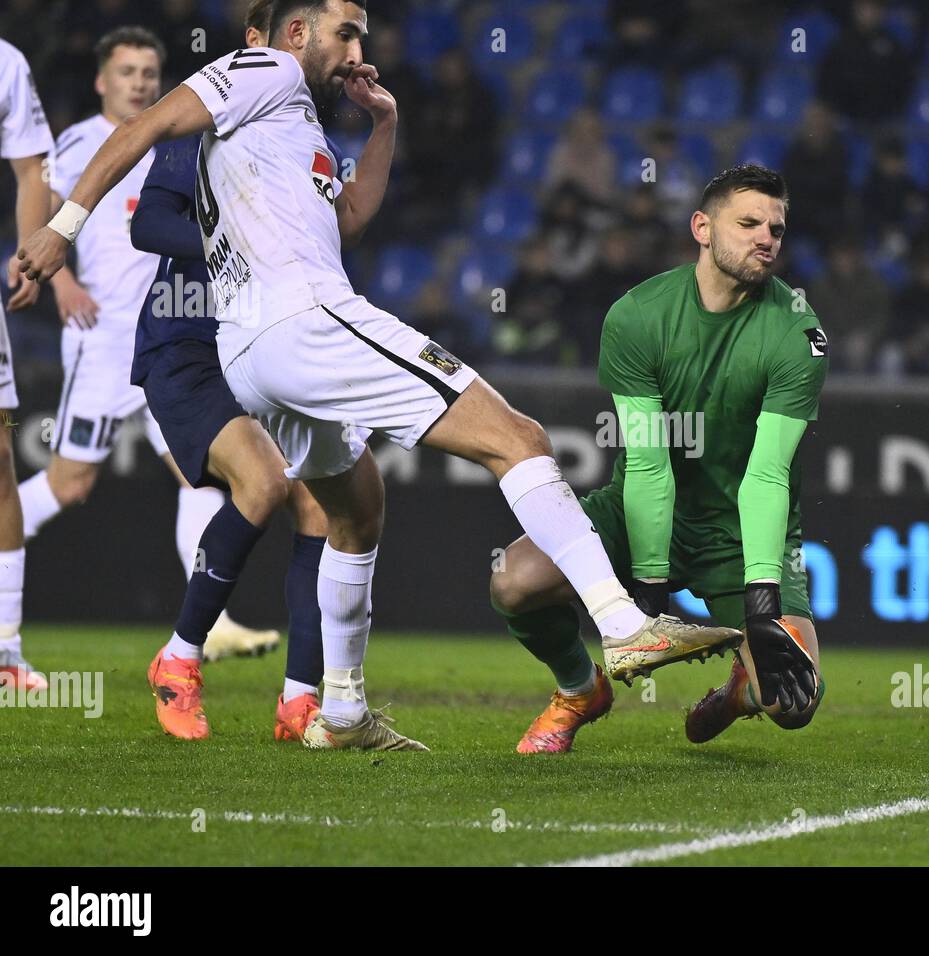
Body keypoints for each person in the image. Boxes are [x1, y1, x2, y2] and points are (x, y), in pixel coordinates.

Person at [17, 0, 740, 752]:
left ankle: (342, 712)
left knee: (354, 508)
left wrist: (383, 125)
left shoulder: (296, 127)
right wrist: (60, 229)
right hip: (305, 318)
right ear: (297, 33)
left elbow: (350, 222)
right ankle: (623, 624)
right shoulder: (265, 68)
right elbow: (143, 129)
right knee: (518, 438)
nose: (362, 46)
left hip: (256, 349)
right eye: (346, 31)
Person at [489, 165, 826, 754]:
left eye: (775, 227)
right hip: (640, 509)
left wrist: (763, 602)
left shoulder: (797, 334)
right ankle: (578, 689)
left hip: (737, 533)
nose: (765, 237)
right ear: (702, 227)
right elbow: (648, 463)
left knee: (794, 701)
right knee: (513, 579)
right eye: (747, 223)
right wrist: (645, 599)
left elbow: (767, 475)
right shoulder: (637, 316)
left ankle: (738, 690)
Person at [16, 26, 277, 663]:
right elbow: (38, 205)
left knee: (205, 481)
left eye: (149, 72)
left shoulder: (177, 139)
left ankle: (209, 624)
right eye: (126, 72)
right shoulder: (78, 143)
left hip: (170, 341)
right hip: (102, 338)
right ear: (103, 80)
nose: (139, 82)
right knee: (71, 482)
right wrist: (62, 282)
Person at [128, 0, 339, 742]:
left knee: (322, 505)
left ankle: (300, 701)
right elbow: (147, 222)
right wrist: (233, 243)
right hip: (186, 345)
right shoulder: (202, 131)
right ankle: (179, 660)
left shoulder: (300, 143)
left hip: (266, 340)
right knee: (265, 481)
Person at [0, 37, 53, 691]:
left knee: (0, 459)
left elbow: (32, 170)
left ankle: (5, 649)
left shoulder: (6, 62)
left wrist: (28, 250)